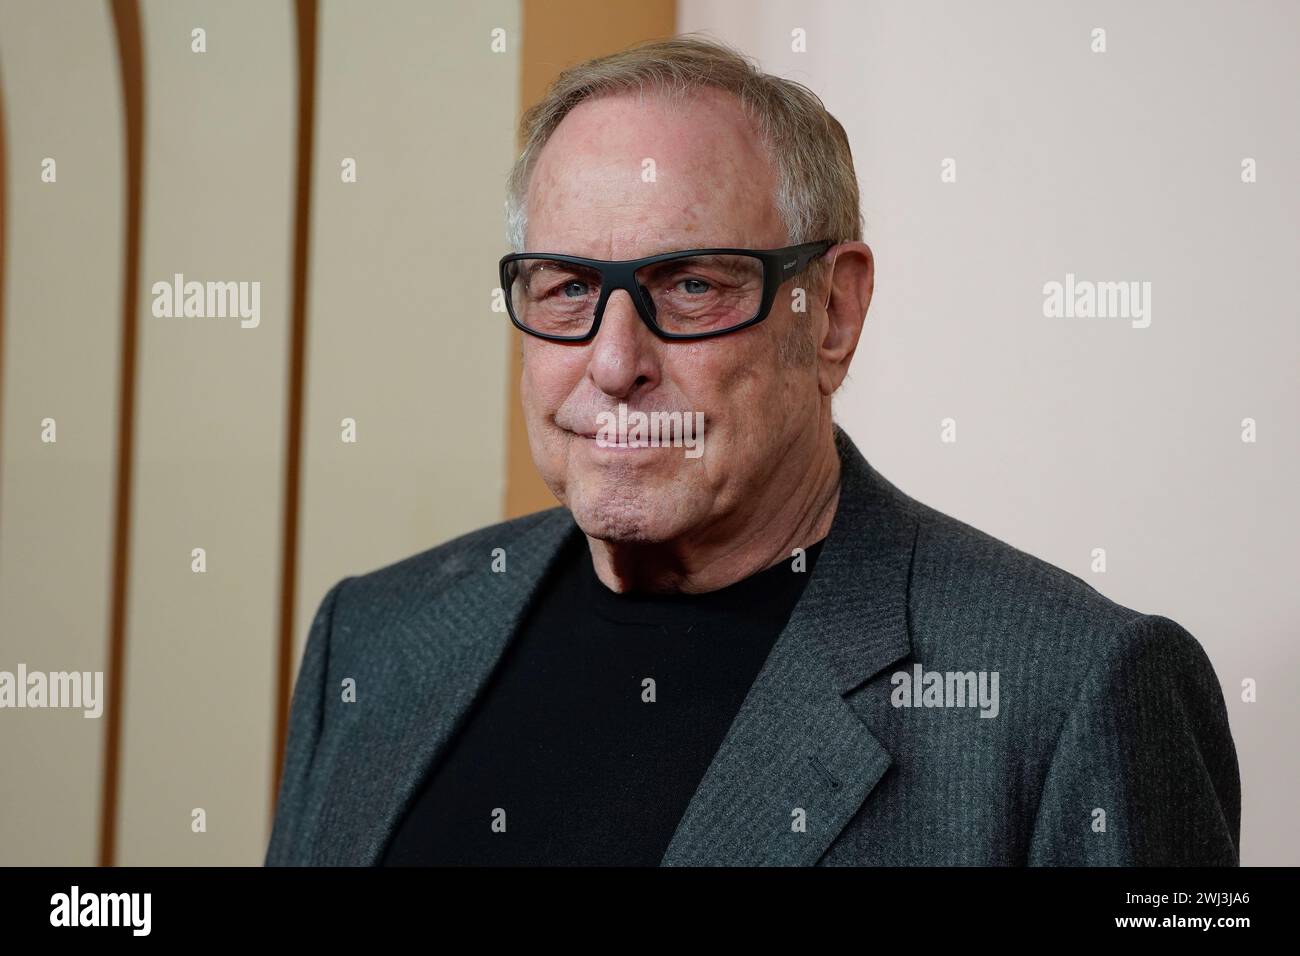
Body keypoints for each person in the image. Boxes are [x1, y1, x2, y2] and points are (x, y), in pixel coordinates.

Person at [265, 36, 1239, 866]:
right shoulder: (375, 636)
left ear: (833, 313)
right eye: (565, 285)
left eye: (688, 285)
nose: (612, 361)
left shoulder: (1075, 693)